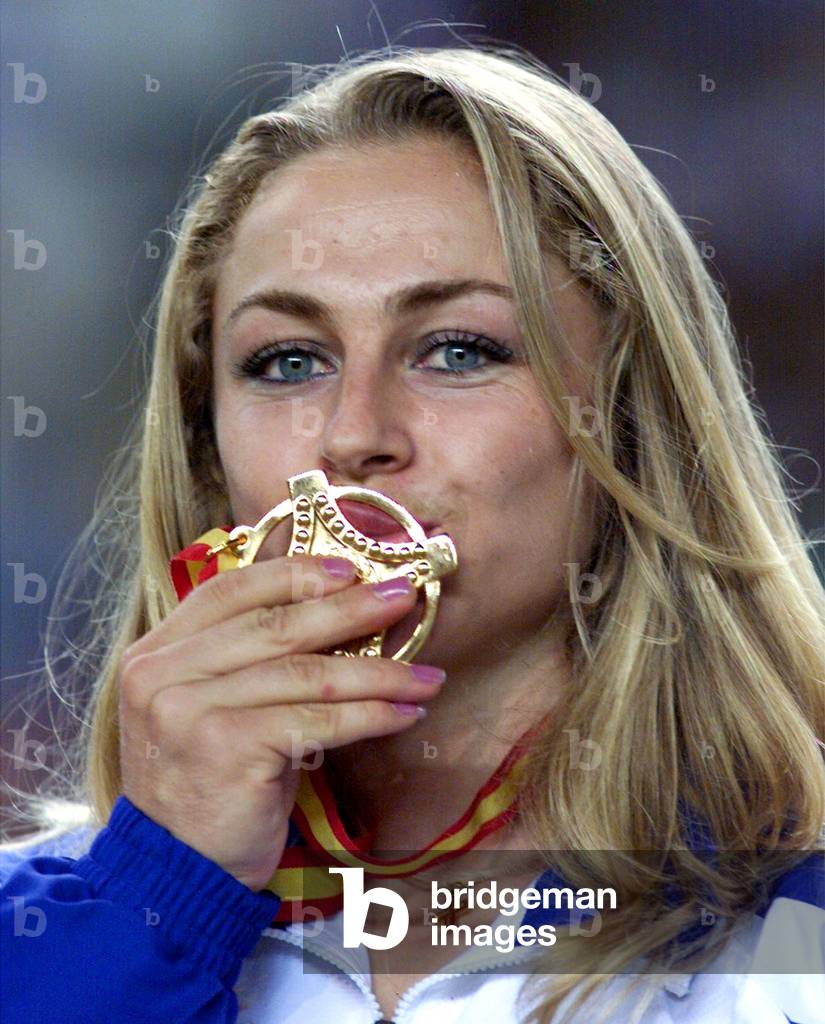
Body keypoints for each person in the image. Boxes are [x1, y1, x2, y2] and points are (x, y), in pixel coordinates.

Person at [1, 44, 823, 1024]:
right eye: (289, 361)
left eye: (457, 350)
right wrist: (158, 901)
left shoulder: (800, 920)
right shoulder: (34, 935)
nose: (353, 435)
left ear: (630, 423)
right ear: (207, 451)